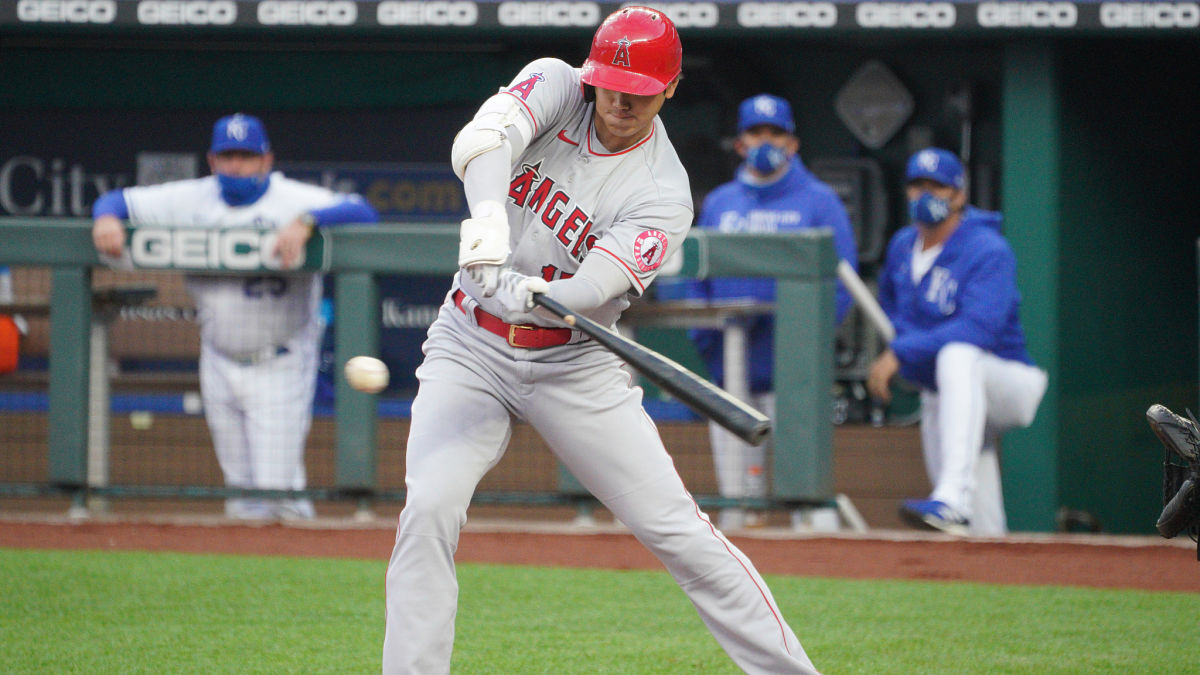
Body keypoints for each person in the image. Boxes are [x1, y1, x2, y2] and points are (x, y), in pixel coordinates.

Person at [382, 8, 820, 674]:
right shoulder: (557, 86)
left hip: (573, 364)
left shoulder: (664, 191)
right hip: (468, 345)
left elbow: (594, 288)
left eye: (640, 89)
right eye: (612, 82)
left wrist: (545, 295)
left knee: (679, 532)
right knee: (429, 508)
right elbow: (481, 141)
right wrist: (490, 223)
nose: (620, 99)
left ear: (670, 89)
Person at [91, 113, 379, 520]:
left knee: (277, 491)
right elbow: (116, 202)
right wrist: (105, 218)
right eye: (228, 156)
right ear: (212, 161)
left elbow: (364, 211)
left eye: (246, 156)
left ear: (266, 160)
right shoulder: (192, 197)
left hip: (279, 360)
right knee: (241, 492)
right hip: (217, 359)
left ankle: (298, 562)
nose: (236, 166)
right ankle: (258, 574)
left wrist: (308, 221)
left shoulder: (292, 199)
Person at [659, 93, 858, 530]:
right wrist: (712, 351)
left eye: (775, 133)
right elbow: (697, 281)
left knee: (806, 500)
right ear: (740, 143)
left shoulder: (819, 200)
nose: (766, 141)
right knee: (736, 506)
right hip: (731, 369)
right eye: (756, 133)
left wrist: (809, 352)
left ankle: (820, 580)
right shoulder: (721, 202)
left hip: (795, 377)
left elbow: (842, 286)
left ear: (793, 143)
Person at [867, 147, 1047, 537]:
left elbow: (978, 330)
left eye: (938, 187)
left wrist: (901, 352)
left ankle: (952, 497)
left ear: (959, 195)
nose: (926, 195)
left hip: (1008, 381)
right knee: (970, 519)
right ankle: (971, 526)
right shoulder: (901, 246)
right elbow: (893, 310)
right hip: (947, 391)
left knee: (957, 355)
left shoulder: (987, 248)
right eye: (918, 185)